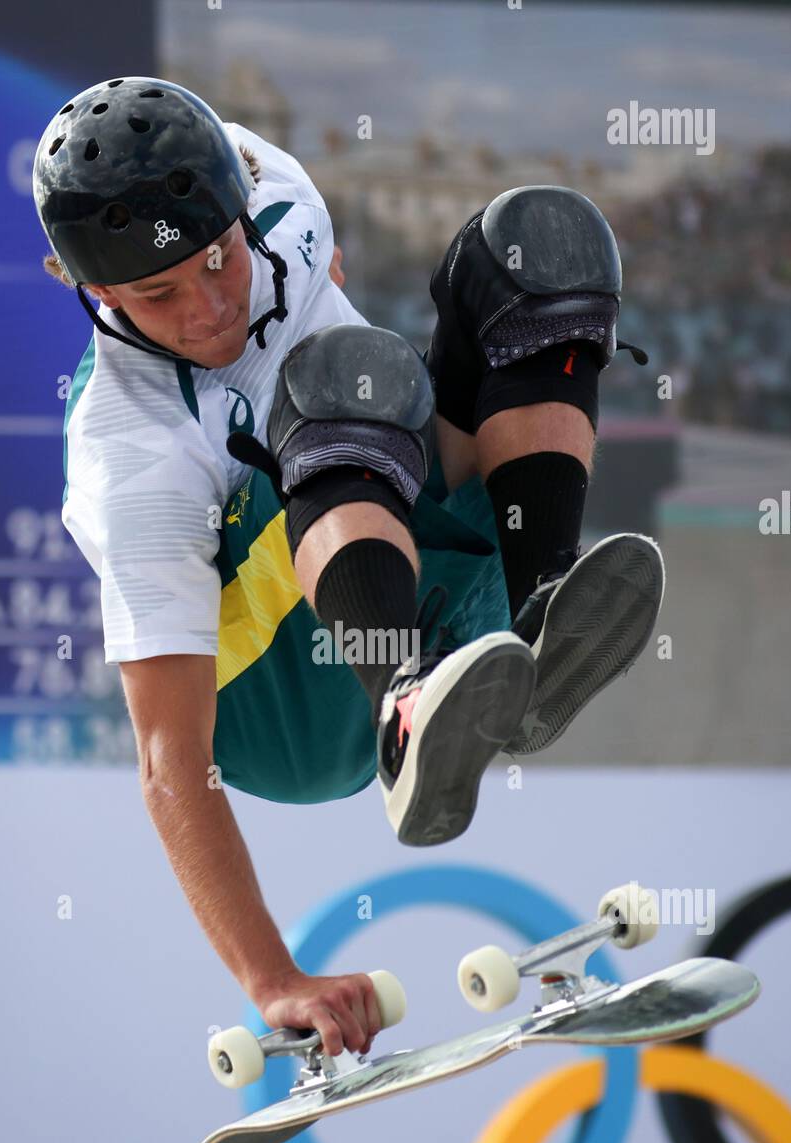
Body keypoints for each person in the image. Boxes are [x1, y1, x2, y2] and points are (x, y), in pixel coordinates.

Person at [33, 76, 664, 1060]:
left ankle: (539, 605)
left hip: (392, 543)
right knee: (334, 387)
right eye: (160, 295)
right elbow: (168, 764)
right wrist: (269, 976)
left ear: (244, 208)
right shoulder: (126, 456)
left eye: (219, 261)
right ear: (97, 292)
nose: (209, 310)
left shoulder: (272, 185)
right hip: (278, 712)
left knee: (535, 247)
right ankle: (404, 703)